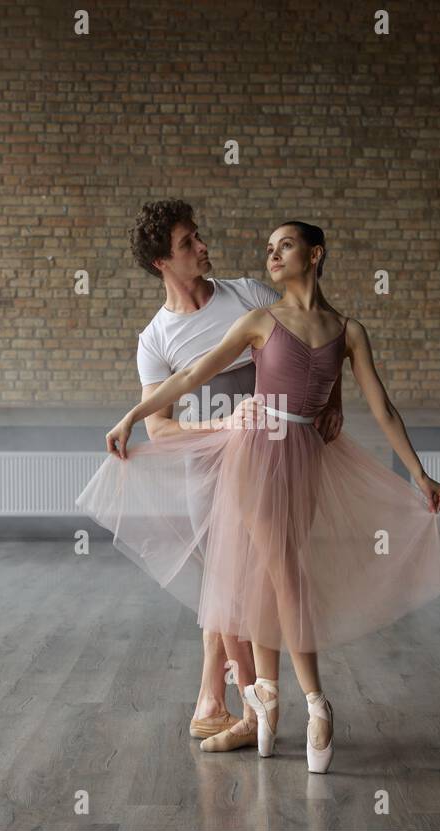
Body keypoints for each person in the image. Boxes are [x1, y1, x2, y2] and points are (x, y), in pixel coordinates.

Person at [77, 220, 440, 773]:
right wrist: (132, 415)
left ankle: (266, 707)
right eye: (269, 249)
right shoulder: (259, 319)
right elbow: (192, 376)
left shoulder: (349, 330)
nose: (272, 255)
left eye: (285, 246)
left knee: (272, 575)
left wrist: (418, 472)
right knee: (280, 570)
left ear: (316, 253)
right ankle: (317, 703)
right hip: (254, 449)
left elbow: (384, 407)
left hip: (305, 452)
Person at [125, 200, 344, 752]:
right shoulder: (156, 340)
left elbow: (312, 337)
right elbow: (161, 431)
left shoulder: (245, 293)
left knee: (266, 581)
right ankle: (248, 706)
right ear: (162, 263)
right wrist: (225, 425)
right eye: (186, 244)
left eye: (198, 237)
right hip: (210, 469)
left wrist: (333, 397)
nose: (202, 247)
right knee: (230, 589)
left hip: (276, 456)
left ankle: (222, 702)